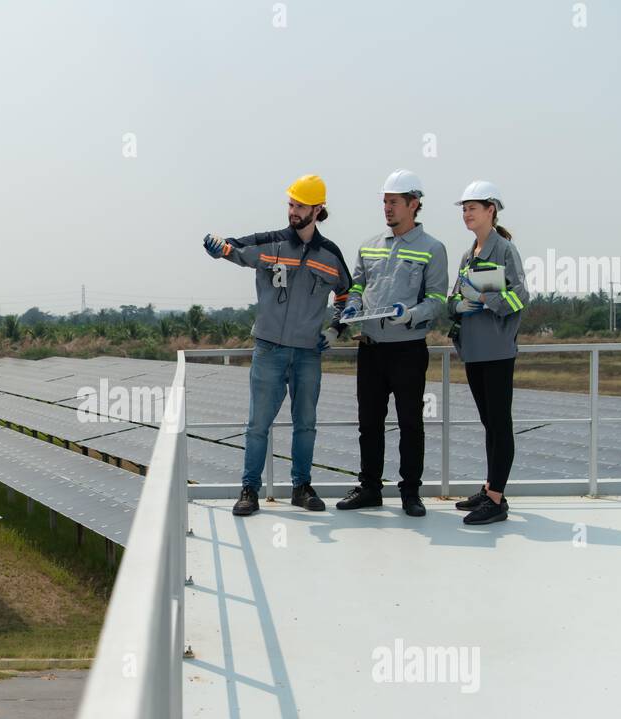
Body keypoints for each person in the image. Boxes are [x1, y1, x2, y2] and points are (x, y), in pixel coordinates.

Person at [202, 174, 352, 517]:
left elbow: (348, 293)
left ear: (317, 209)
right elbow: (233, 249)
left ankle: (301, 487)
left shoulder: (330, 255)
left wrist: (335, 330)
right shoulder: (270, 244)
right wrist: (217, 248)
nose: (293, 211)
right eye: (290, 204)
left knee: (306, 423)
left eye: (300, 205)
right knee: (258, 424)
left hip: (308, 354)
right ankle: (249, 490)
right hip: (269, 350)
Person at [335, 169, 448, 517]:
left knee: (410, 422)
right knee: (369, 422)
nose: (387, 208)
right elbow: (356, 285)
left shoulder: (433, 249)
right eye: (385, 201)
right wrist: (352, 305)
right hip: (370, 348)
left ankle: (410, 493)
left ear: (414, 204)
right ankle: (370, 488)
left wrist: (410, 315)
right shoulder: (368, 246)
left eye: (394, 202)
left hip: (407, 350)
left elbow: (438, 300)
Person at [447, 180, 530, 525]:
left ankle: (496, 499)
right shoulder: (470, 254)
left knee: (499, 423)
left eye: (473, 208)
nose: (467, 214)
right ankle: (490, 487)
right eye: (464, 208)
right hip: (474, 351)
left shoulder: (504, 250)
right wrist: (457, 305)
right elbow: (454, 297)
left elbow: (521, 295)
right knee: (488, 423)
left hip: (496, 351)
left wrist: (485, 300)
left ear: (491, 211)